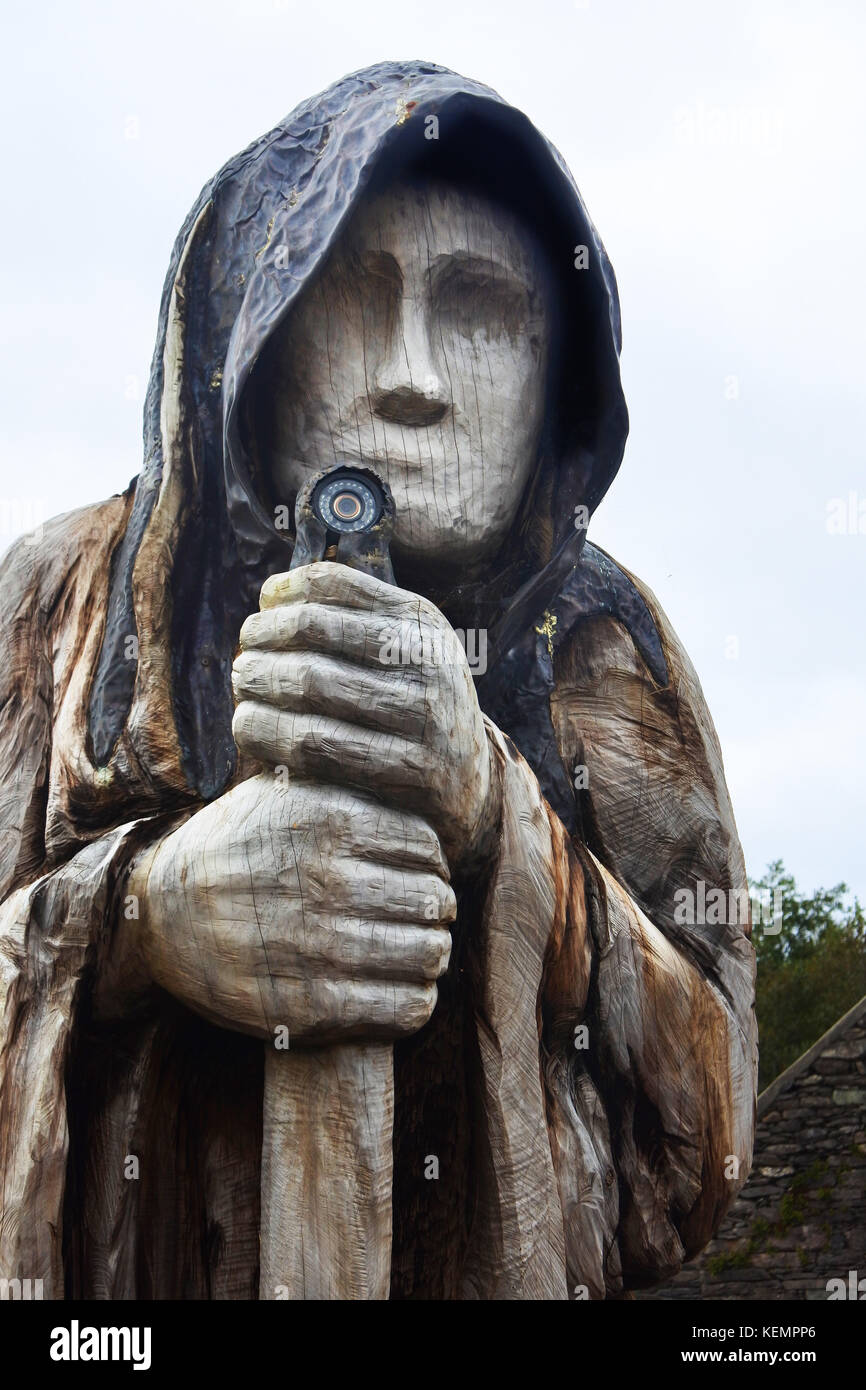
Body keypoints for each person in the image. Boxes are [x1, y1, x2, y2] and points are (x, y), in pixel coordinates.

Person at [0, 60, 757, 1300]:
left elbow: (709, 1132)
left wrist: (494, 816)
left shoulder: (606, 647)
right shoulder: (61, 600)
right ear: (255, 327)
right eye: (352, 293)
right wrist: (141, 923)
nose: (410, 374)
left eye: (479, 304)